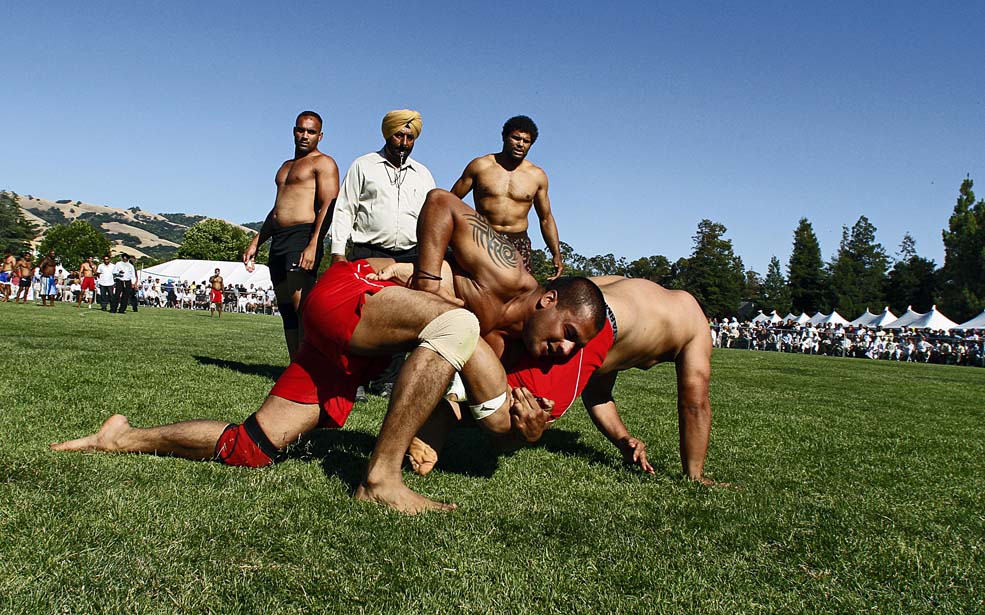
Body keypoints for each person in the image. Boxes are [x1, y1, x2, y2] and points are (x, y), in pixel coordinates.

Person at [52, 196, 607, 514]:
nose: (563, 350)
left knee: (250, 447)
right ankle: (379, 480)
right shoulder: (507, 266)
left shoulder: (512, 349)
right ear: (549, 299)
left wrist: (519, 431)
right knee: (456, 320)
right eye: (566, 333)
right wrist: (431, 282)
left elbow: (453, 395)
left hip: (357, 350)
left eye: (574, 347)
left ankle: (121, 437)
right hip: (352, 296)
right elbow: (441, 203)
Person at [410, 275, 719, 486]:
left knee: (506, 390)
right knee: (519, 418)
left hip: (583, 313)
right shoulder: (695, 325)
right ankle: (440, 417)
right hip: (594, 328)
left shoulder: (644, 294)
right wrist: (695, 475)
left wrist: (622, 439)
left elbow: (596, 394)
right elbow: (695, 402)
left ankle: (445, 406)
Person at [329, 109, 437, 397]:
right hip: (368, 250)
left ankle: (387, 380)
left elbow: (431, 218)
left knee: (401, 319)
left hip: (409, 256)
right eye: (399, 135)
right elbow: (345, 208)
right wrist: (338, 252)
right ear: (387, 134)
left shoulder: (423, 174)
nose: (403, 141)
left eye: (410, 137)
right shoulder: (364, 165)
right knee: (360, 318)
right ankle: (357, 380)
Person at [243, 111, 339, 358]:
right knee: (286, 307)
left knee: (302, 307)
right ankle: (294, 366)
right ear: (293, 131)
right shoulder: (285, 167)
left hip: (303, 236)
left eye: (311, 131)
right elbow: (278, 209)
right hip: (279, 239)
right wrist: (256, 240)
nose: (304, 135)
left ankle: (311, 369)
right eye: (300, 130)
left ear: (320, 135)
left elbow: (330, 204)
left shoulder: (323, 163)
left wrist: (314, 244)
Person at [451, 115, 563, 278]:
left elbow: (545, 218)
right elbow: (451, 200)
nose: (520, 144)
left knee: (521, 296)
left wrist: (556, 253)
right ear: (504, 137)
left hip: (518, 243)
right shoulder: (480, 166)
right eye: (516, 138)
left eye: (526, 141)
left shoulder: (537, 176)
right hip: (482, 239)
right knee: (476, 290)